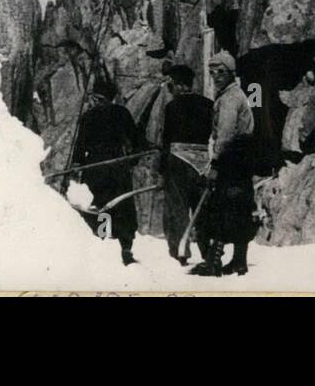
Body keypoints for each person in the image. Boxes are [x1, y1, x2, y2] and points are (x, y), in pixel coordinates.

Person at [192, 51, 257, 277]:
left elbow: (226, 135)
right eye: (212, 73)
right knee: (240, 208)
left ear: (231, 73)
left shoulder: (230, 99)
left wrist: (216, 164)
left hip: (232, 159)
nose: (216, 77)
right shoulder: (235, 94)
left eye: (221, 72)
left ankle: (213, 262)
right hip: (241, 159)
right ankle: (239, 261)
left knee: (221, 208)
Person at [72, 74, 144, 265]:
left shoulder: (88, 116)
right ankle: (125, 246)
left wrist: (77, 163)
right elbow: (136, 140)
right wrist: (133, 160)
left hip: (96, 167)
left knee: (102, 206)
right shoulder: (122, 113)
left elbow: (80, 145)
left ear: (101, 98)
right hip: (117, 165)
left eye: (96, 98)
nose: (94, 102)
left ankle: (106, 243)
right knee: (121, 205)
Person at [159, 64, 213, 265]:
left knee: (178, 207)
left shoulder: (172, 107)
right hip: (202, 161)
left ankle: (180, 252)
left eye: (173, 86)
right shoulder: (209, 104)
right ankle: (208, 250)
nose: (172, 90)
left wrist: (162, 168)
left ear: (180, 86)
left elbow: (167, 139)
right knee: (202, 207)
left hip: (178, 160)